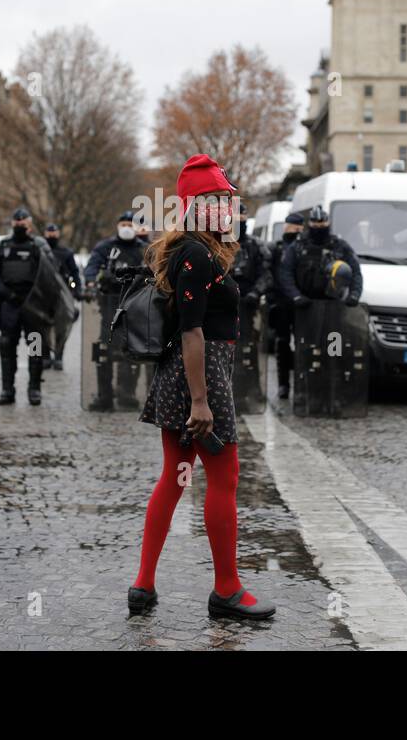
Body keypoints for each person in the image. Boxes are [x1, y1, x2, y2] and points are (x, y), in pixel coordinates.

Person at [129, 153, 275, 621]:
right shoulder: (194, 254)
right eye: (219, 199)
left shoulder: (198, 249)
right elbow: (193, 330)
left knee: (175, 476)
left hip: (189, 373)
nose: (229, 207)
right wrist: (201, 401)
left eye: (228, 199)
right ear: (196, 204)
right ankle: (227, 591)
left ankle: (143, 586)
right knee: (224, 477)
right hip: (200, 374)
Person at [0, 208, 52, 406]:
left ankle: (34, 389)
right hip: (10, 303)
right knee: (7, 346)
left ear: (30, 225)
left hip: (32, 305)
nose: (19, 226)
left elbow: (49, 273)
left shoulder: (38, 246)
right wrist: (5, 293)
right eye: (16, 223)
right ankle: (7, 390)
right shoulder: (2, 246)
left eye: (23, 223)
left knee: (35, 349)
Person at [84, 210, 147, 410]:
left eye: (131, 224)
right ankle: (104, 395)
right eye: (124, 223)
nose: (127, 227)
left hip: (136, 309)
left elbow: (156, 269)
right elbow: (91, 267)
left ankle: (126, 393)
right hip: (109, 307)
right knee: (105, 349)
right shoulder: (106, 247)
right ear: (118, 226)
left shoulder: (144, 249)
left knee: (132, 351)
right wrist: (91, 280)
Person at [277, 205, 363, 310]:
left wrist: (354, 294)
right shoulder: (298, 246)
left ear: (328, 224)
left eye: (322, 226)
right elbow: (285, 273)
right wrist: (296, 296)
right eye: (316, 226)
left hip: (333, 304)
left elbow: (355, 271)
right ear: (310, 225)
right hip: (304, 304)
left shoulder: (339, 246)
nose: (319, 229)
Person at [268, 212, 302, 399]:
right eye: (291, 227)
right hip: (281, 302)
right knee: (282, 343)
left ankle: (300, 382)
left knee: (301, 343)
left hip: (299, 303)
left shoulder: (302, 248)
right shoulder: (276, 248)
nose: (294, 231)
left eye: (297, 228)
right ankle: (283, 384)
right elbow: (270, 272)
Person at [43, 222, 82, 370]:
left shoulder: (66, 253)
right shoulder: (40, 251)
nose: (51, 235)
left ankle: (58, 356)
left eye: (54, 233)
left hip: (62, 295)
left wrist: (77, 289)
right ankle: (45, 356)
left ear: (58, 234)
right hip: (44, 295)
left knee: (61, 327)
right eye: (49, 233)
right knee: (43, 327)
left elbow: (74, 272)